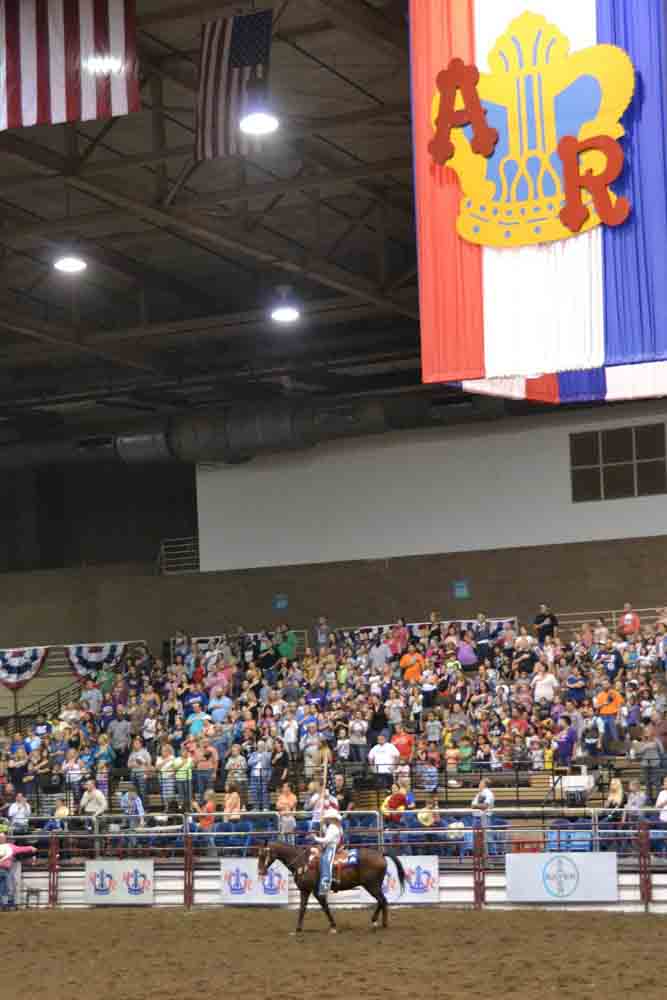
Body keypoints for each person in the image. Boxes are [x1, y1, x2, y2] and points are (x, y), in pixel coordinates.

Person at [0, 832, 37, 911]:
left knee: (5, 887)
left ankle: (5, 904)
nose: (2, 839)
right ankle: (7, 904)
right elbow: (20, 849)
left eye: (2, 838)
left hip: (5, 869)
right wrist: (30, 847)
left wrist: (30, 847)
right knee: (8, 887)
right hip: (6, 869)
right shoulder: (9, 846)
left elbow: (21, 849)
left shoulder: (9, 846)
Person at [312, 807, 344, 895]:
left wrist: (315, 838)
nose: (327, 819)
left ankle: (326, 883)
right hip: (331, 846)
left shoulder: (333, 827)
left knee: (326, 861)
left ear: (331, 818)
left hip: (331, 847)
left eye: (327, 818)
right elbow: (327, 833)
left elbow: (327, 839)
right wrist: (322, 824)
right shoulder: (335, 826)